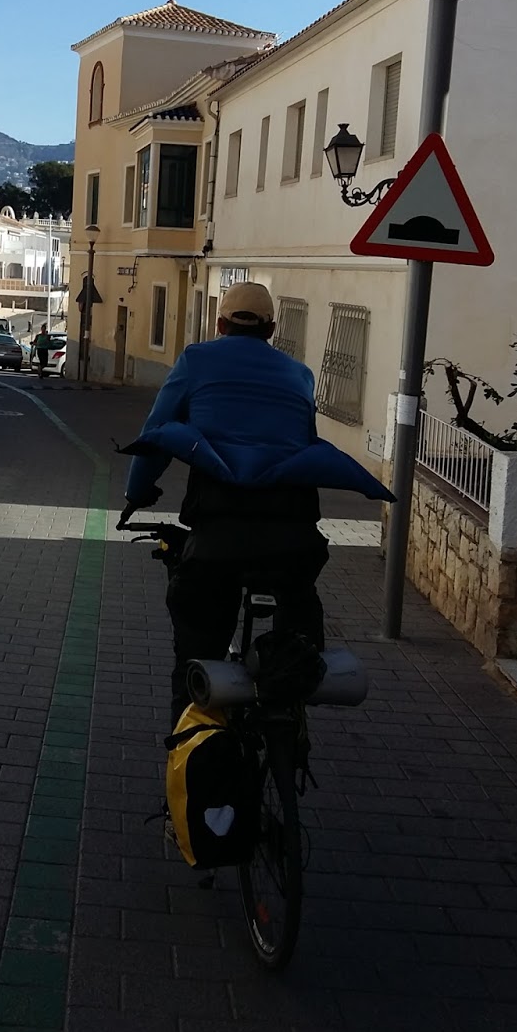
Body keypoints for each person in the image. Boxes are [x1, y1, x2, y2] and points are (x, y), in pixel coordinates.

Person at [117, 282, 392, 727]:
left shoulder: (196, 360)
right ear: (272, 329)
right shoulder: (299, 375)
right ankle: (288, 724)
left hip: (218, 538)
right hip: (294, 539)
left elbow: (157, 433)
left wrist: (138, 494)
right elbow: (302, 441)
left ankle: (190, 771)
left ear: (220, 324)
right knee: (298, 623)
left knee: (195, 655)